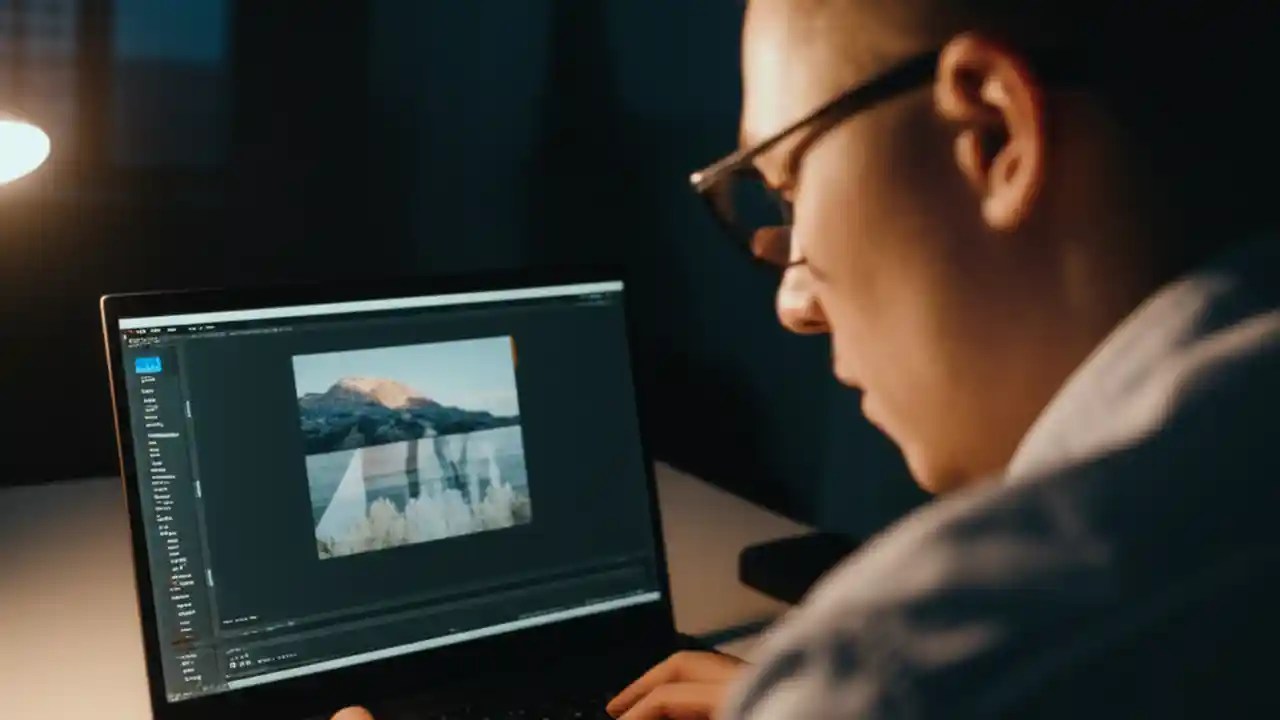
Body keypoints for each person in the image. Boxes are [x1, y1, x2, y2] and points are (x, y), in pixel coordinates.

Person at [335, 0, 1280, 717]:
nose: (793, 304)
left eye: (786, 188)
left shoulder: (919, 656)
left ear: (991, 135)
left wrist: (833, 684)